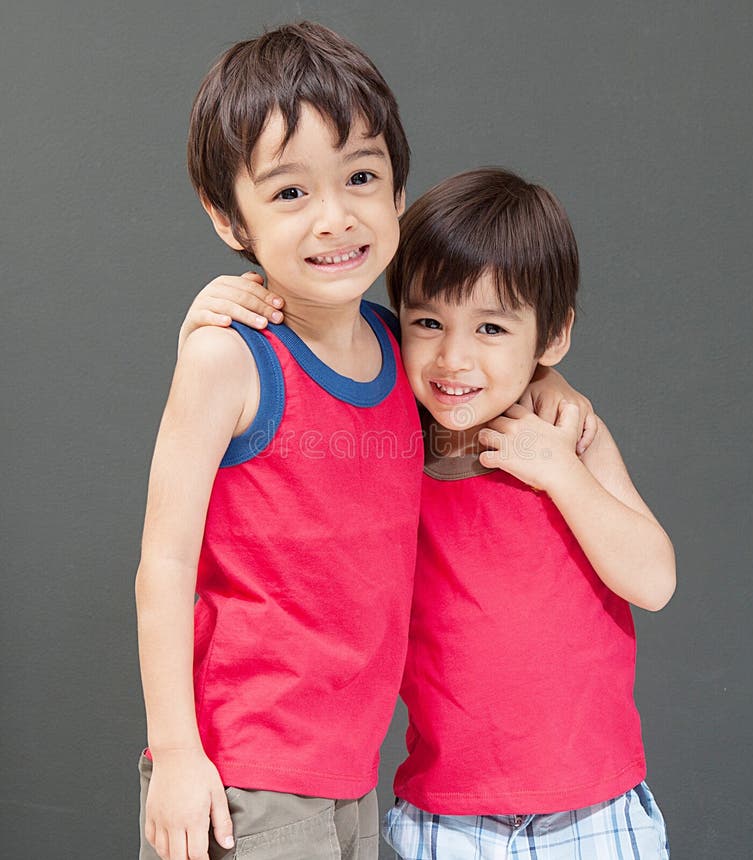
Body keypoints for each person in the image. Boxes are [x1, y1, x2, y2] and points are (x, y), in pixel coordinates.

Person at [195, 168, 676, 858]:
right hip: (450, 814)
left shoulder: (565, 434)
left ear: (552, 337)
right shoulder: (390, 430)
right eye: (427, 322)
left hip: (593, 807)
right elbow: (314, 339)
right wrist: (225, 303)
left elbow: (654, 581)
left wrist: (561, 470)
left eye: (490, 327)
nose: (454, 357)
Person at [135, 22, 421, 860]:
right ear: (230, 217)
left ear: (399, 192)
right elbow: (163, 567)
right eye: (290, 193)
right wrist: (179, 755)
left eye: (362, 177)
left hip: (354, 764)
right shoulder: (229, 355)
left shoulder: (402, 347)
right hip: (243, 771)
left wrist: (562, 394)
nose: (336, 217)